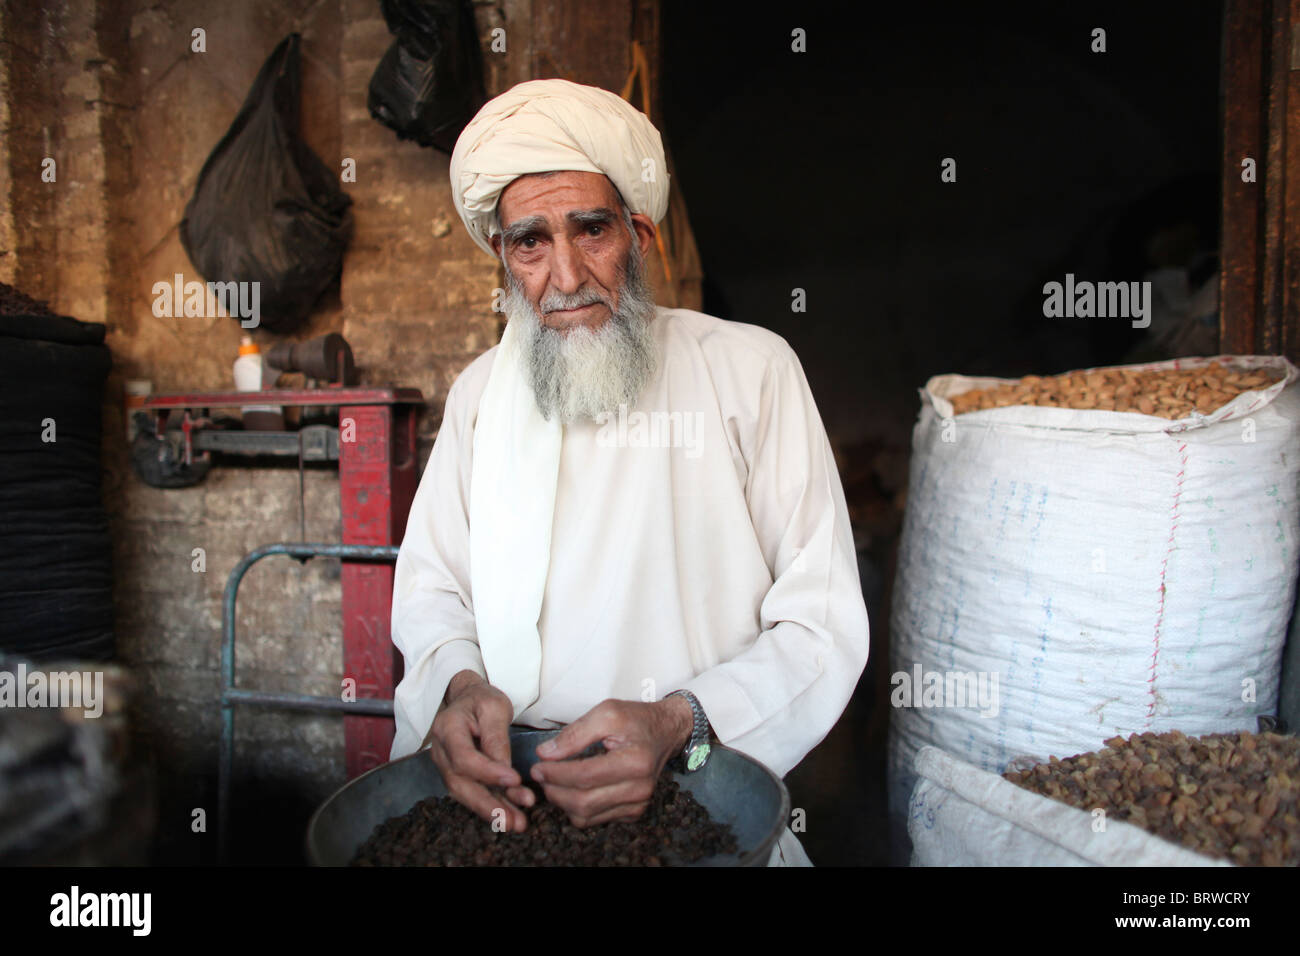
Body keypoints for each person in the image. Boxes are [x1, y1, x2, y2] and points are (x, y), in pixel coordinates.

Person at [389, 78, 869, 866]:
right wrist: (459, 688)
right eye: (531, 243)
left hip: (697, 791)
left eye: (592, 231)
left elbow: (820, 623)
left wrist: (679, 721)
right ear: (506, 261)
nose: (567, 276)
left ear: (640, 237)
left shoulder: (750, 372)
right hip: (512, 804)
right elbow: (433, 587)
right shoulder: (480, 396)